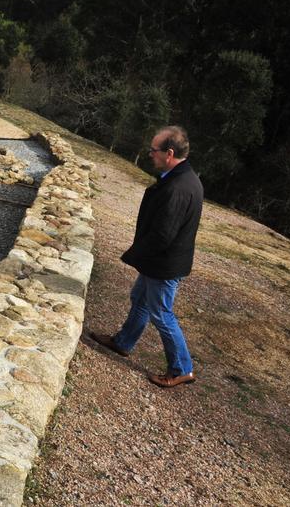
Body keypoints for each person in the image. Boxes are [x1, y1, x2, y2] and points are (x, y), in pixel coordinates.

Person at [90, 125, 203, 388]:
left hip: (164, 264)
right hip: (162, 260)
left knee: (162, 314)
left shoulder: (178, 187)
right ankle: (123, 342)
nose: (150, 154)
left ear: (169, 153)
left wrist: (134, 254)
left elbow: (162, 235)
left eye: (154, 150)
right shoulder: (182, 177)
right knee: (139, 298)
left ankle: (182, 368)